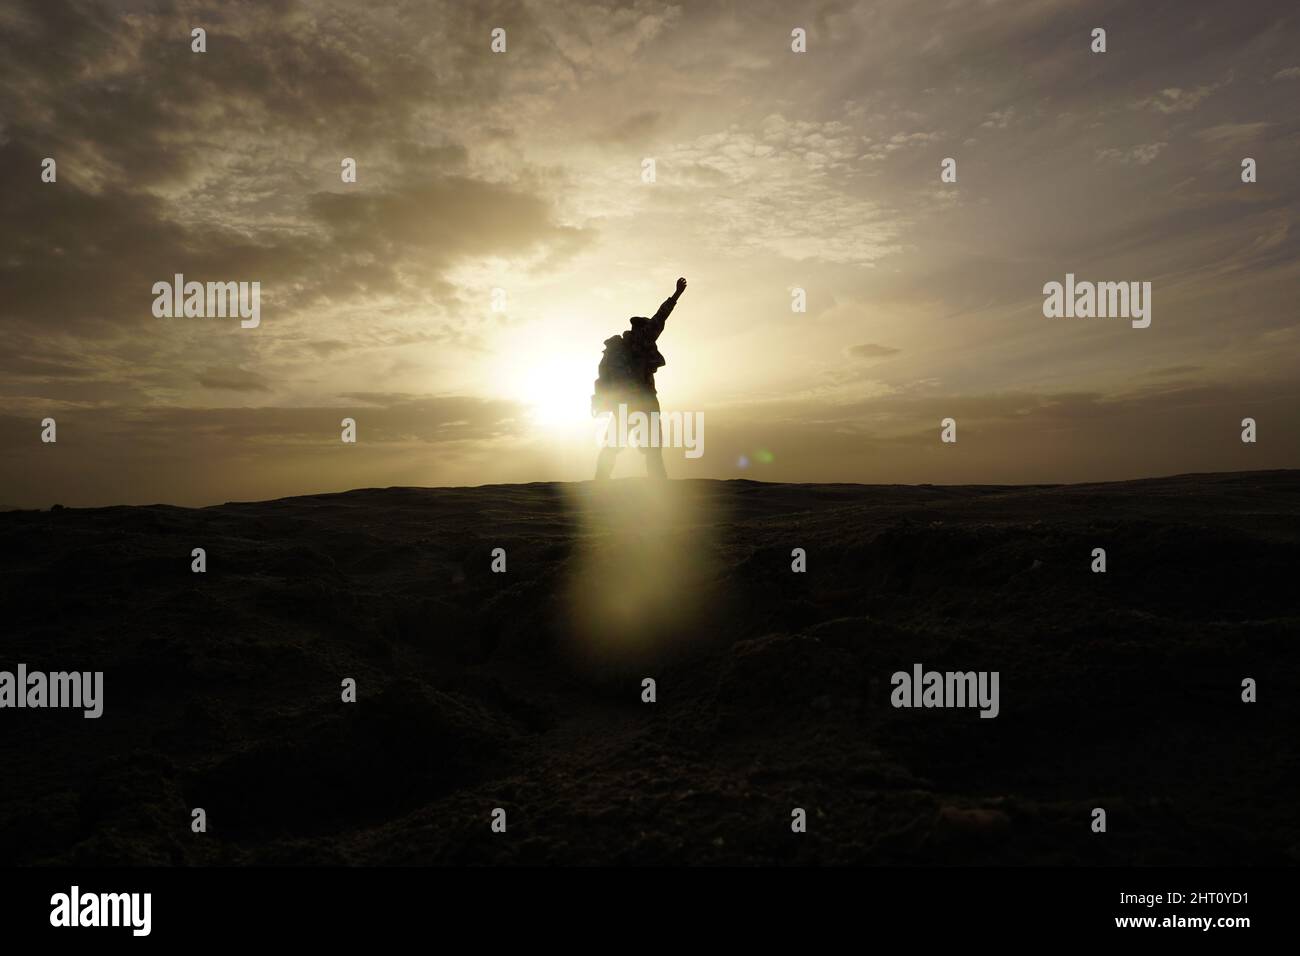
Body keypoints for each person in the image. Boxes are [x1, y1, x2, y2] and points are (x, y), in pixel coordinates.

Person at [594, 277, 687, 479]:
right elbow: (660, 318)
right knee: (651, 450)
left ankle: (599, 483)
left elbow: (603, 379)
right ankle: (658, 485)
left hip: (624, 404)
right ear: (641, 330)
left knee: (614, 446)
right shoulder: (641, 341)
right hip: (641, 402)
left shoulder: (617, 349)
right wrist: (676, 295)